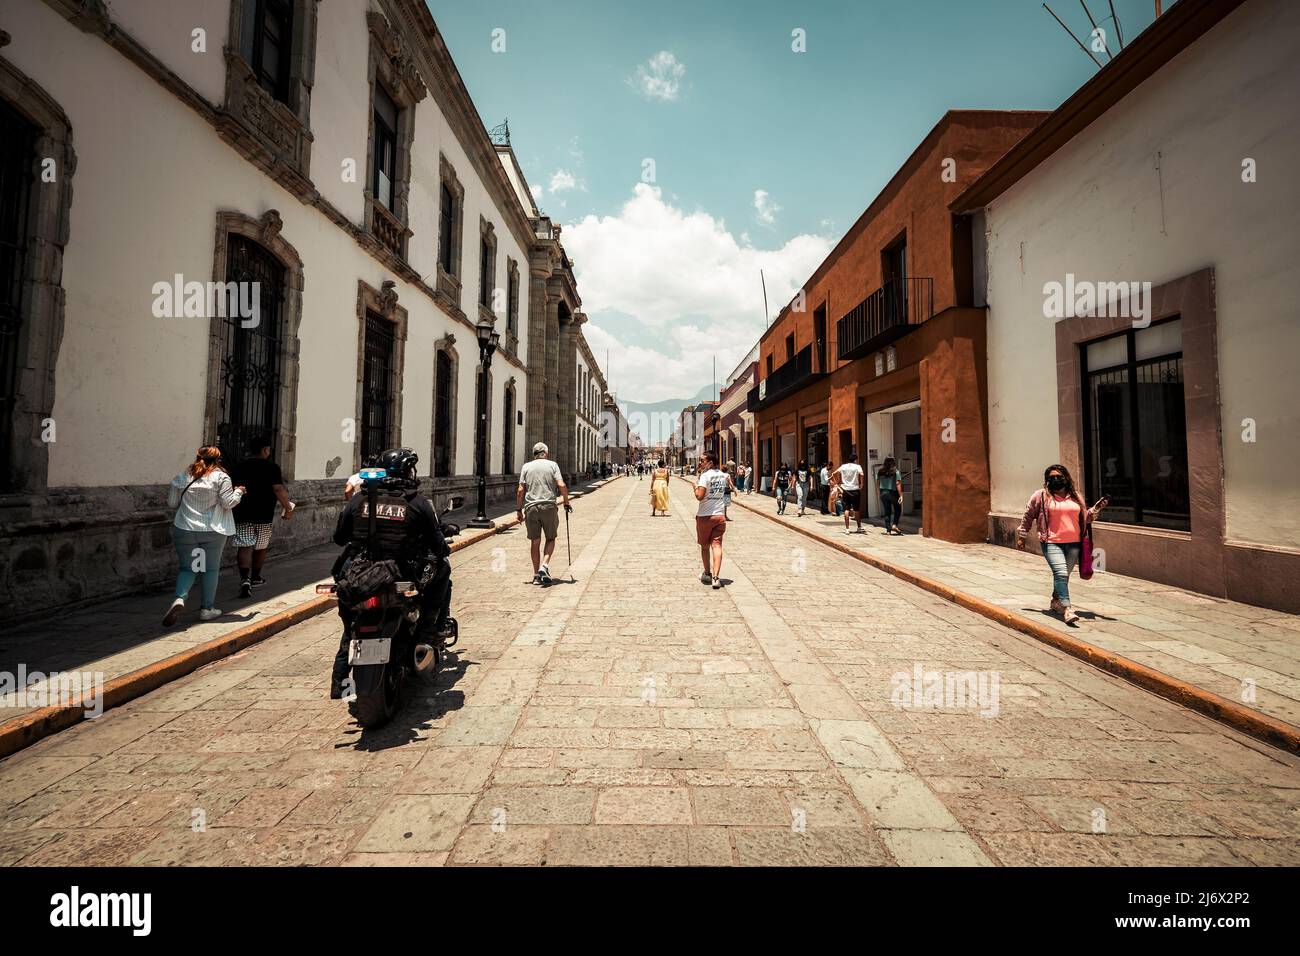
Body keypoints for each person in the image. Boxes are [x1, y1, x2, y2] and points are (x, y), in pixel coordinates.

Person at [329, 447, 451, 698]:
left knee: (349, 619)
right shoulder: (416, 502)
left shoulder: (359, 499)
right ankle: (427, 630)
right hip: (400, 575)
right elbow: (439, 547)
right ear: (408, 472)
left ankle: (341, 672)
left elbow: (340, 538)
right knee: (443, 570)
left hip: (361, 575)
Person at [1017, 463, 1108, 625]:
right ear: (1046, 480)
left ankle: (1055, 601)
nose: (1056, 480)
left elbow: (1085, 518)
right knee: (1061, 573)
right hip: (1051, 542)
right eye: (1052, 478)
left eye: (1059, 477)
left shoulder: (1075, 496)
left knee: (1062, 576)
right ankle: (1067, 609)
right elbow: (1028, 515)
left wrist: (1095, 509)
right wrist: (1022, 536)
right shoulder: (1041, 496)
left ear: (1066, 478)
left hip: (1074, 543)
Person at [163, 445, 245, 625]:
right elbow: (228, 503)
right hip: (212, 531)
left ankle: (179, 598)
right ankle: (207, 609)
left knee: (189, 568)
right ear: (217, 459)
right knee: (210, 569)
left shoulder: (185, 476)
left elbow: (172, 503)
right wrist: (239, 491)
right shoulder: (220, 477)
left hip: (185, 528)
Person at [230, 435, 295, 598]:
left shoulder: (239, 466)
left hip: (242, 512)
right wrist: (288, 507)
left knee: (244, 546)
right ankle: (256, 577)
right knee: (261, 546)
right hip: (264, 513)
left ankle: (244, 579)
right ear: (265, 450)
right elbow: (278, 489)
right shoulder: (272, 467)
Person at [516, 441, 572, 585]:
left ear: (534, 454)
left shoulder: (526, 467)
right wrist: (566, 502)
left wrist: (518, 510)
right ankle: (544, 565)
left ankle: (536, 575)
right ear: (546, 453)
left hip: (531, 508)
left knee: (535, 541)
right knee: (550, 538)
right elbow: (562, 485)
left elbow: (521, 490)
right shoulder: (552, 465)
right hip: (548, 506)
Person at [693, 451, 735, 589]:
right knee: (717, 545)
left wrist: (695, 488)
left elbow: (700, 496)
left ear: (710, 462)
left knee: (705, 547)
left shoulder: (705, 476)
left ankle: (707, 573)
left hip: (705, 516)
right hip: (720, 516)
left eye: (703, 460)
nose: (700, 462)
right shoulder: (723, 476)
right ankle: (716, 578)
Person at [837, 454, 865, 534]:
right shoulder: (857, 466)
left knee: (846, 509)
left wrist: (839, 482)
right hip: (855, 489)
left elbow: (836, 472)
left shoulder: (843, 466)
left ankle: (847, 529)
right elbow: (862, 474)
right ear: (855, 460)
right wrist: (861, 484)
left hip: (846, 490)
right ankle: (859, 527)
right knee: (856, 509)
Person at [877, 456, 903, 535]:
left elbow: (877, 483)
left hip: (883, 493)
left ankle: (888, 530)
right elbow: (898, 484)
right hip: (893, 493)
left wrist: (879, 492)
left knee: (887, 511)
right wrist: (901, 495)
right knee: (898, 509)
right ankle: (894, 525)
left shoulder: (880, 471)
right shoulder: (896, 472)